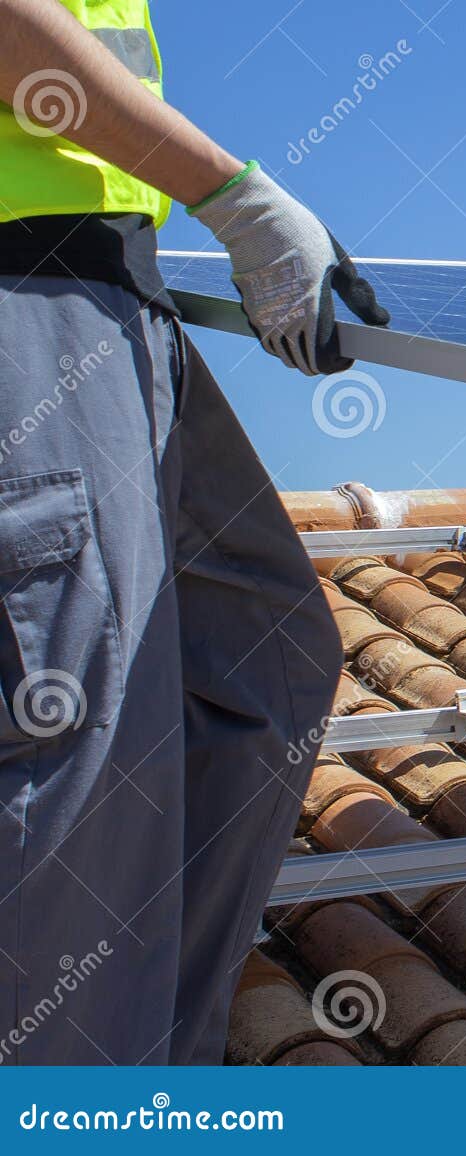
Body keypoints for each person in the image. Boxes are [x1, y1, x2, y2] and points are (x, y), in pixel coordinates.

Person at [0, 0, 388, 1063]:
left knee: (264, 662)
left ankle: (145, 1060)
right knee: (85, 740)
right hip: (21, 291)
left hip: (111, 291)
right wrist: (232, 195)